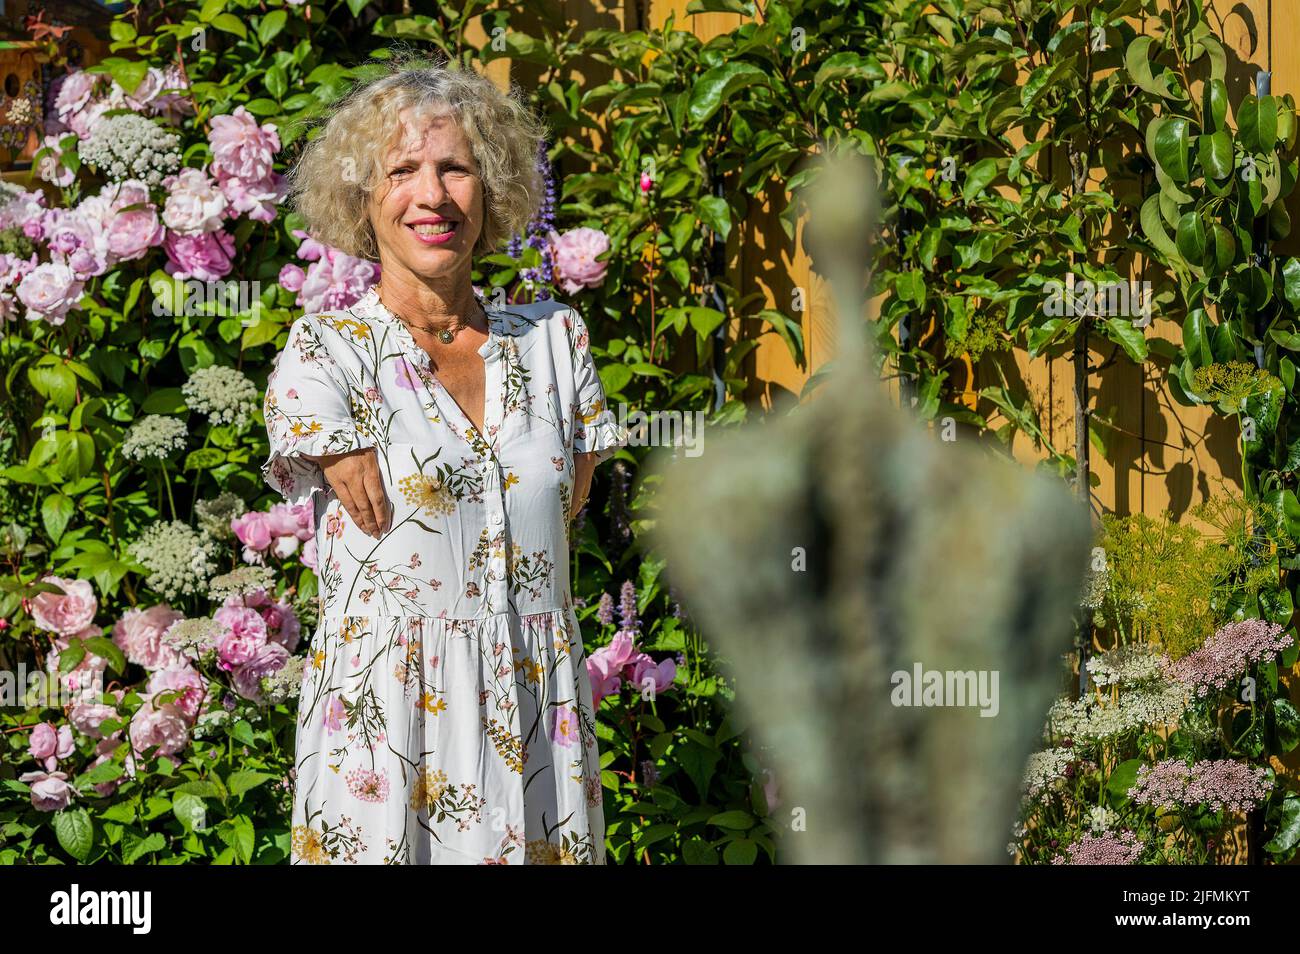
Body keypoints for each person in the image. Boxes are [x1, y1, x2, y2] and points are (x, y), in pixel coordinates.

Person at [260, 57, 627, 864]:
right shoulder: (327, 360)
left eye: (455, 168)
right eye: (402, 171)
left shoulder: (556, 345)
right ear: (364, 198)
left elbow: (558, 519)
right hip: (388, 751)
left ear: (490, 188)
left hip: (538, 733)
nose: (432, 195)